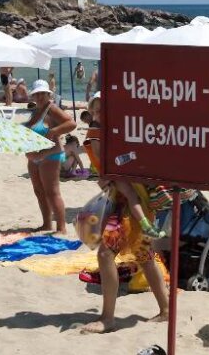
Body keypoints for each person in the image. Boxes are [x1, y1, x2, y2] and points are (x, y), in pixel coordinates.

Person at [81, 99, 169, 334]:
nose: (96, 114)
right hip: (133, 204)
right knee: (145, 257)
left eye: (101, 109)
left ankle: (108, 318)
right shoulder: (120, 135)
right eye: (94, 111)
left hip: (129, 209)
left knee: (105, 254)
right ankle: (165, 309)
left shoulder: (117, 140)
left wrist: (144, 221)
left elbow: (130, 193)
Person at [23, 80, 76, 233]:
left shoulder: (51, 108)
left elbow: (71, 124)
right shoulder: (36, 110)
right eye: (37, 94)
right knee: (39, 191)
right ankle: (47, 224)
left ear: (48, 94)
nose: (40, 96)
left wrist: (53, 131)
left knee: (52, 192)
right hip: (34, 157)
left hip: (50, 155)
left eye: (42, 93)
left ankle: (61, 228)